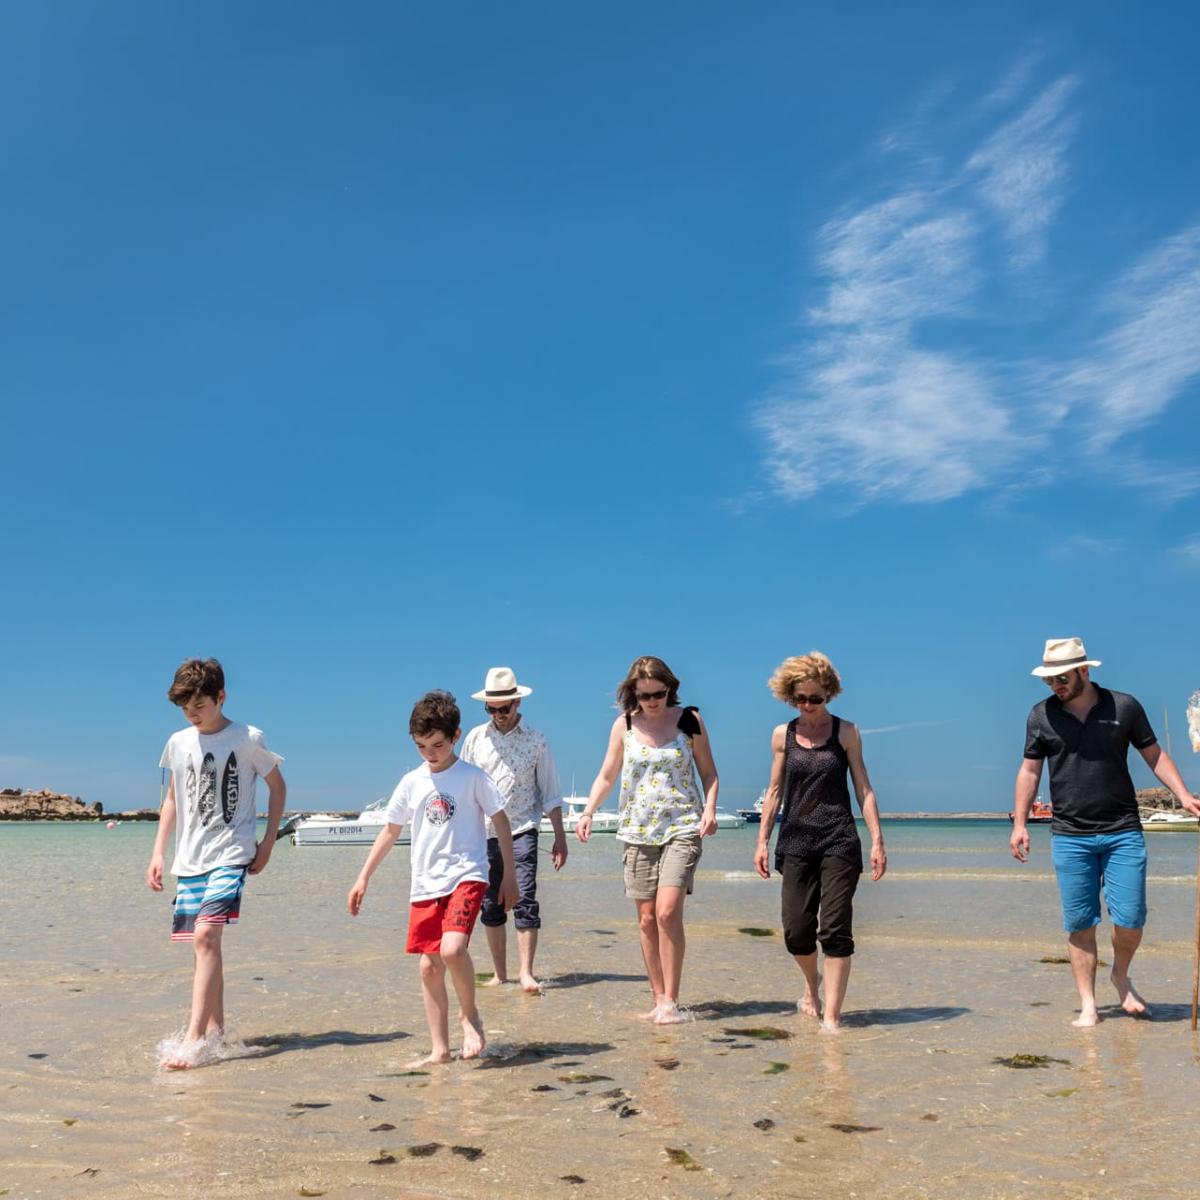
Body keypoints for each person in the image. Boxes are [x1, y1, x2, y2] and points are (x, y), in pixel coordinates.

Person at [1011, 637, 1199, 1026]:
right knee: (1080, 923)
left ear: (1084, 670)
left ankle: (1120, 974)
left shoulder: (1124, 706)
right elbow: (1029, 771)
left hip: (1122, 830)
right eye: (1049, 681)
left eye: (1061, 678)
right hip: (1070, 835)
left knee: (1130, 919)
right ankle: (1088, 1005)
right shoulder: (1040, 716)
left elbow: (1155, 755)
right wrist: (1019, 823)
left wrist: (1182, 794)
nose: (1055, 686)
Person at [348, 691, 517, 1064]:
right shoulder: (411, 782)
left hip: (467, 875)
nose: (430, 753)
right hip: (425, 883)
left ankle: (469, 1015)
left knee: (452, 949)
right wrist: (363, 878)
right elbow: (390, 831)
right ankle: (440, 1050)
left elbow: (501, 822)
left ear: (455, 736)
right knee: (428, 967)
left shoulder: (472, 777)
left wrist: (509, 876)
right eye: (421, 746)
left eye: (437, 744)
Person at [147, 657, 287, 1069]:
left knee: (206, 937)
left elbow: (277, 787)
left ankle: (192, 1039)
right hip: (190, 858)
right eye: (185, 708)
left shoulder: (247, 738)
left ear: (221, 697)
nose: (192, 714)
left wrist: (268, 842)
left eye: (199, 706)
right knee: (205, 947)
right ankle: (217, 1035)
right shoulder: (177, 742)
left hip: (232, 852)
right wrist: (157, 852)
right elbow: (171, 801)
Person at [575, 656, 718, 1024]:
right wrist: (589, 811)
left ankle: (672, 999)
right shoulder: (624, 724)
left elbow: (708, 772)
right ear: (633, 693)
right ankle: (658, 998)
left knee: (667, 911)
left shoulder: (689, 720)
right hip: (637, 831)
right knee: (645, 918)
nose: (653, 700)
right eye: (645, 695)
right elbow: (607, 775)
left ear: (670, 688)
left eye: (659, 693)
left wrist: (710, 810)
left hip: (682, 826)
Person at [754, 652, 886, 1033]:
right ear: (790, 697)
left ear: (829, 693)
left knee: (835, 929)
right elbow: (775, 791)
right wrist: (762, 841)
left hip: (839, 839)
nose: (809, 706)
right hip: (795, 840)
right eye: (801, 699)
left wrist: (877, 840)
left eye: (816, 698)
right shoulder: (783, 735)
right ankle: (811, 985)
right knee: (797, 929)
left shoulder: (846, 733)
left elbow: (863, 787)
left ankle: (832, 1017)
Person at [461, 666, 568, 994]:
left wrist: (561, 838)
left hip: (523, 829)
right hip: (483, 834)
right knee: (491, 905)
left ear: (517, 702)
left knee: (524, 899)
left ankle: (526, 973)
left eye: (504, 709)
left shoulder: (537, 740)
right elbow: (463, 788)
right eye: (491, 709)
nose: (498, 715)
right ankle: (499, 974)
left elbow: (550, 792)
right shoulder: (475, 739)